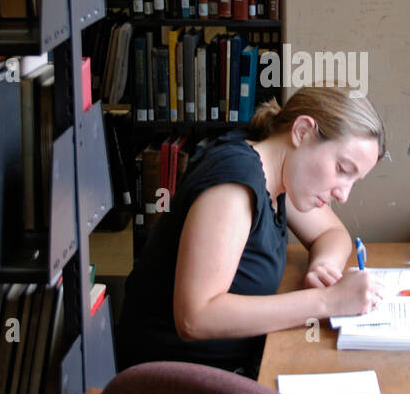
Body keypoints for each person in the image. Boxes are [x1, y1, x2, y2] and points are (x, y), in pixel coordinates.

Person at [116, 86, 386, 378]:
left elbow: (332, 233)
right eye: (342, 169)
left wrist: (324, 268)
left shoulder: (280, 171)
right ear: (302, 132)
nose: (343, 194)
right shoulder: (235, 187)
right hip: (173, 385)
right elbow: (196, 317)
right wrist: (328, 301)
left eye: (354, 180)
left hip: (234, 367)